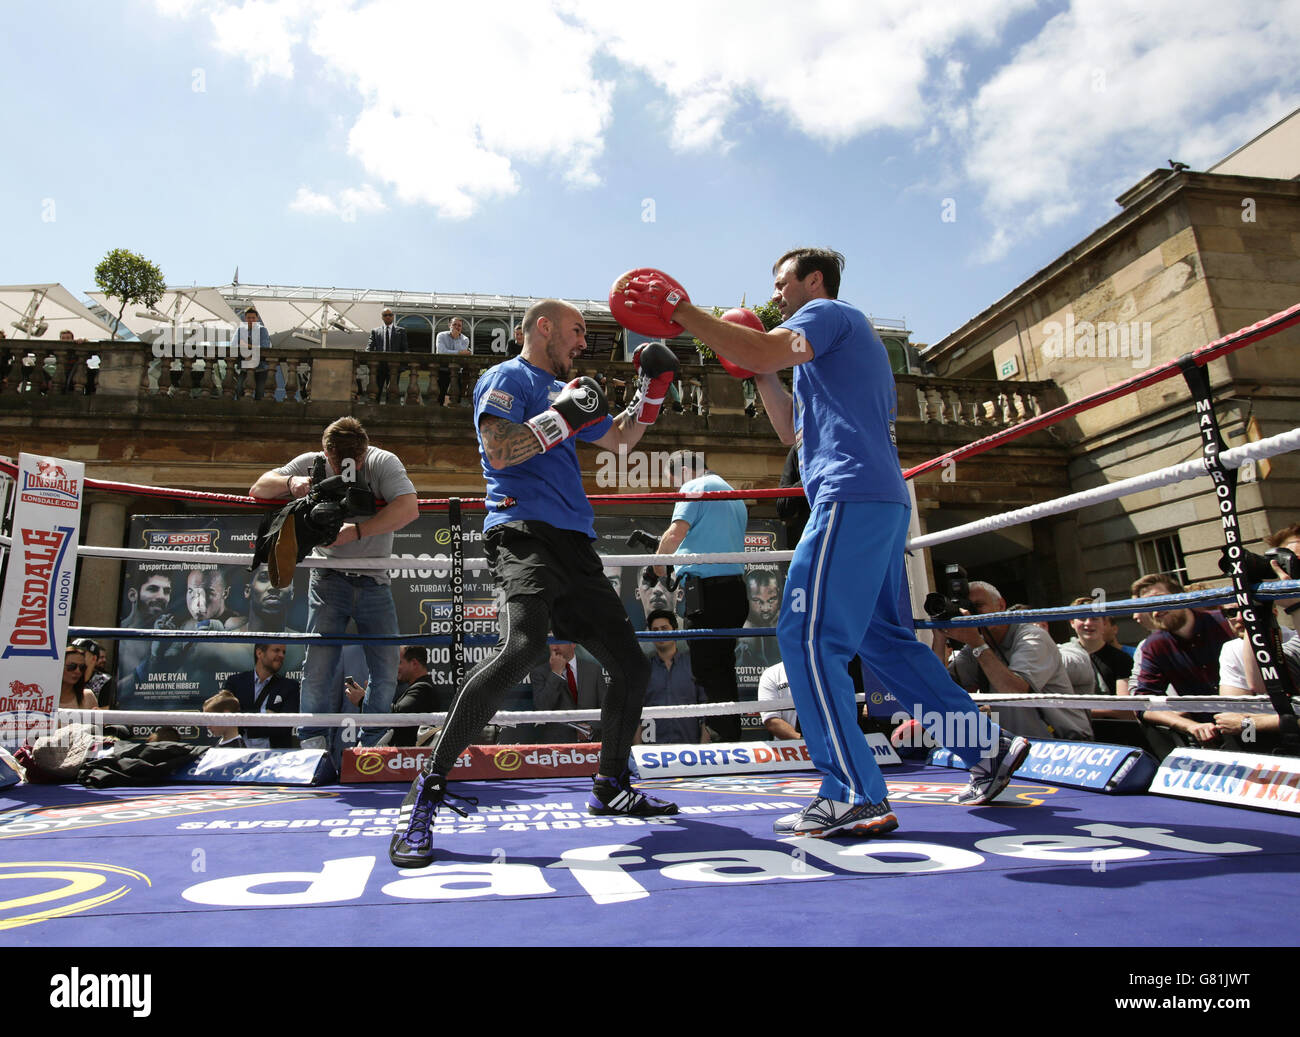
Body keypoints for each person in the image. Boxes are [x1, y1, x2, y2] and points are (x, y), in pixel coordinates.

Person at [627, 249, 1029, 838]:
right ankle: (986, 750)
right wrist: (762, 372)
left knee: (806, 635)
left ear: (814, 281)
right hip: (878, 500)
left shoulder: (827, 314)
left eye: (782, 282)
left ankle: (851, 791)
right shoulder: (828, 352)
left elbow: (763, 345)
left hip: (851, 497)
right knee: (887, 642)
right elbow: (794, 431)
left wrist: (681, 312)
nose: (777, 295)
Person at [389, 298, 681, 867]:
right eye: (576, 331)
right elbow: (499, 449)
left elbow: (619, 440)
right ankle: (425, 791)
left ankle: (611, 784)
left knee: (631, 664)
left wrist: (652, 391)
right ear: (542, 326)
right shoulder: (508, 376)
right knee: (523, 647)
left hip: (575, 541)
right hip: (522, 529)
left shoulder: (573, 389)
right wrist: (563, 417)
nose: (582, 343)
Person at [249, 416, 418, 758]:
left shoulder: (382, 461)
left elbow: (409, 508)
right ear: (326, 451)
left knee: (386, 666)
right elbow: (258, 488)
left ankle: (372, 745)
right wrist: (293, 482)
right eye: (338, 460)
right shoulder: (312, 464)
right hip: (327, 579)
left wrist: (357, 531)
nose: (348, 467)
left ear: (365, 450)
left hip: (374, 579)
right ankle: (313, 742)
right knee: (319, 664)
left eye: (355, 461)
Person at [654, 451, 748, 741]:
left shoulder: (695, 487)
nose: (676, 492)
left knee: (706, 669)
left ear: (684, 470)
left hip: (706, 592)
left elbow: (674, 533)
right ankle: (730, 737)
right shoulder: (734, 494)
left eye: (674, 483)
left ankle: (721, 740)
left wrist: (657, 565)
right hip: (732, 590)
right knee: (722, 667)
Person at [940, 585, 1092, 741]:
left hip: (1066, 745)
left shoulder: (1032, 636)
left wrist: (976, 644)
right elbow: (938, 689)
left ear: (1000, 605)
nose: (971, 613)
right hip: (1020, 747)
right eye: (966, 607)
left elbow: (1014, 692)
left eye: (977, 606)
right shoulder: (976, 644)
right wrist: (940, 636)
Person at [1130, 572, 1232, 754]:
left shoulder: (1225, 622)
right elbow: (1143, 703)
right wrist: (1189, 726)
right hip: (1209, 737)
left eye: (1160, 599)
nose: (1156, 609)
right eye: (1147, 605)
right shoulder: (1154, 645)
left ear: (1181, 597)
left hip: (1253, 724)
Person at [639, 609, 710, 745]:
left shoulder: (694, 665)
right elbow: (636, 714)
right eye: (655, 630)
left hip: (691, 750)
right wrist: (637, 750)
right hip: (652, 752)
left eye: (664, 628)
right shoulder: (644, 670)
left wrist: (703, 748)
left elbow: (706, 711)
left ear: (676, 630)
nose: (660, 633)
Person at [221, 643, 300, 749]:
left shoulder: (290, 687)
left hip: (275, 758)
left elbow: (284, 726)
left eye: (284, 652)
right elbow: (226, 716)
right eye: (276, 650)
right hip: (237, 754)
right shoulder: (235, 682)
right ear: (259, 653)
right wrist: (264, 715)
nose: (282, 655)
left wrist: (245, 723)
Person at [526, 642, 607, 744]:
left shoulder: (593, 670)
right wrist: (556, 674)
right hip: (557, 747)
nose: (554, 647)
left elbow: (606, 708)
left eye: (559, 642)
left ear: (573, 643)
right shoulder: (540, 673)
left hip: (591, 744)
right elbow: (542, 707)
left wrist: (591, 727)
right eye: (551, 642)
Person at [380, 645, 440, 748]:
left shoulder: (423, 688)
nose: (395, 667)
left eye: (399, 663)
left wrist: (365, 700)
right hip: (407, 758)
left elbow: (399, 715)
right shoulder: (418, 687)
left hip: (412, 759)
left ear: (414, 663)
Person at [367, 307, 407, 403]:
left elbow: (405, 349)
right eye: (385, 315)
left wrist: (403, 365)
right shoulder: (375, 331)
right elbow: (369, 347)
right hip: (379, 367)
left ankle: (390, 412)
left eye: (390, 315)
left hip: (394, 367)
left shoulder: (401, 331)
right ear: (382, 317)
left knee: (392, 394)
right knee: (376, 392)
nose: (388, 317)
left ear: (393, 317)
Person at [233, 305, 271, 401]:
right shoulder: (240, 330)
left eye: (253, 318)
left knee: (260, 393)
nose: (251, 320)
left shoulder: (262, 330)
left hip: (261, 368)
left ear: (257, 318)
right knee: (239, 389)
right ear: (245, 318)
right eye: (249, 318)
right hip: (245, 366)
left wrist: (246, 345)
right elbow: (233, 345)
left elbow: (264, 347)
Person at [757, 660, 799, 740]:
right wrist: (803, 743)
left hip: (826, 745)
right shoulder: (772, 674)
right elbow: (771, 720)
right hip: (790, 748)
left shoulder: (825, 668)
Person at [434, 317, 472, 405]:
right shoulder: (441, 335)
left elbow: (460, 357)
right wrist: (459, 352)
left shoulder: (465, 339)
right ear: (449, 325)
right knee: (440, 395)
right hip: (443, 369)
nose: (457, 327)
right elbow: (442, 352)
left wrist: (456, 339)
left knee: (457, 397)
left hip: (457, 370)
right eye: (454, 324)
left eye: (459, 325)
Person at [60, 645, 98, 711]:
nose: (77, 671)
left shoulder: (88, 697)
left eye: (82, 667)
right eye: (72, 666)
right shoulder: (43, 698)